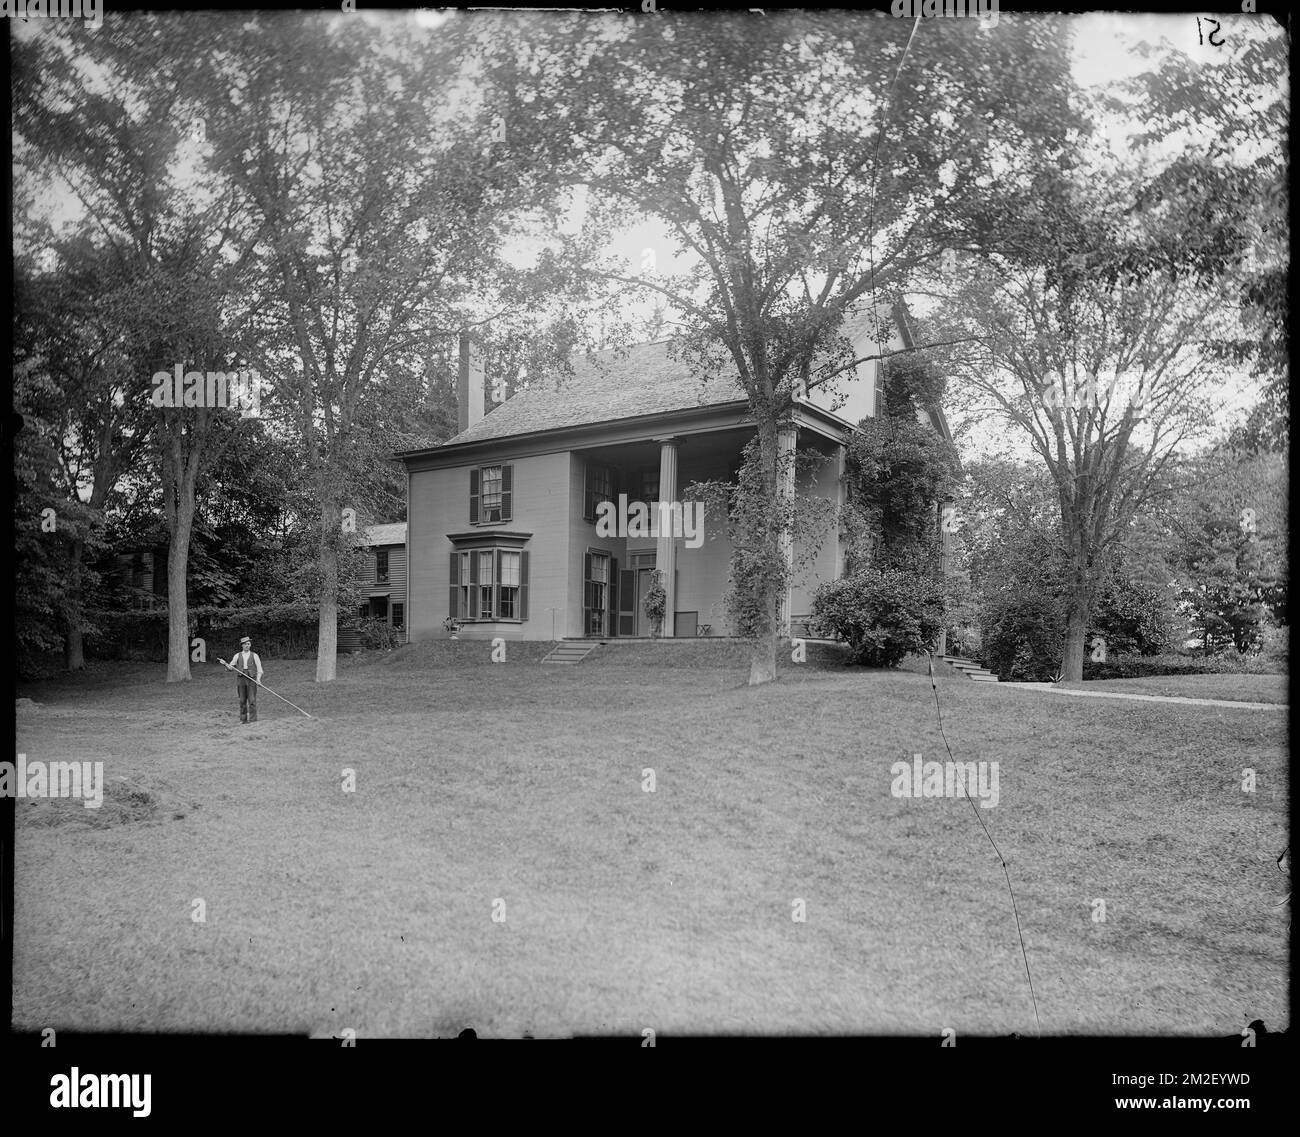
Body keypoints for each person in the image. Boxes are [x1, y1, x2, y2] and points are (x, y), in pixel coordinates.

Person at [226, 635, 264, 724]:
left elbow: (260, 669)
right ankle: (243, 720)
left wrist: (258, 679)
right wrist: (226, 665)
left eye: (248, 644)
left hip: (251, 679)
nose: (247, 645)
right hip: (241, 680)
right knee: (242, 700)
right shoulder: (237, 655)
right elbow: (231, 667)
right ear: (242, 645)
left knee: (252, 700)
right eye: (245, 644)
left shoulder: (254, 655)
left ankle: (253, 720)